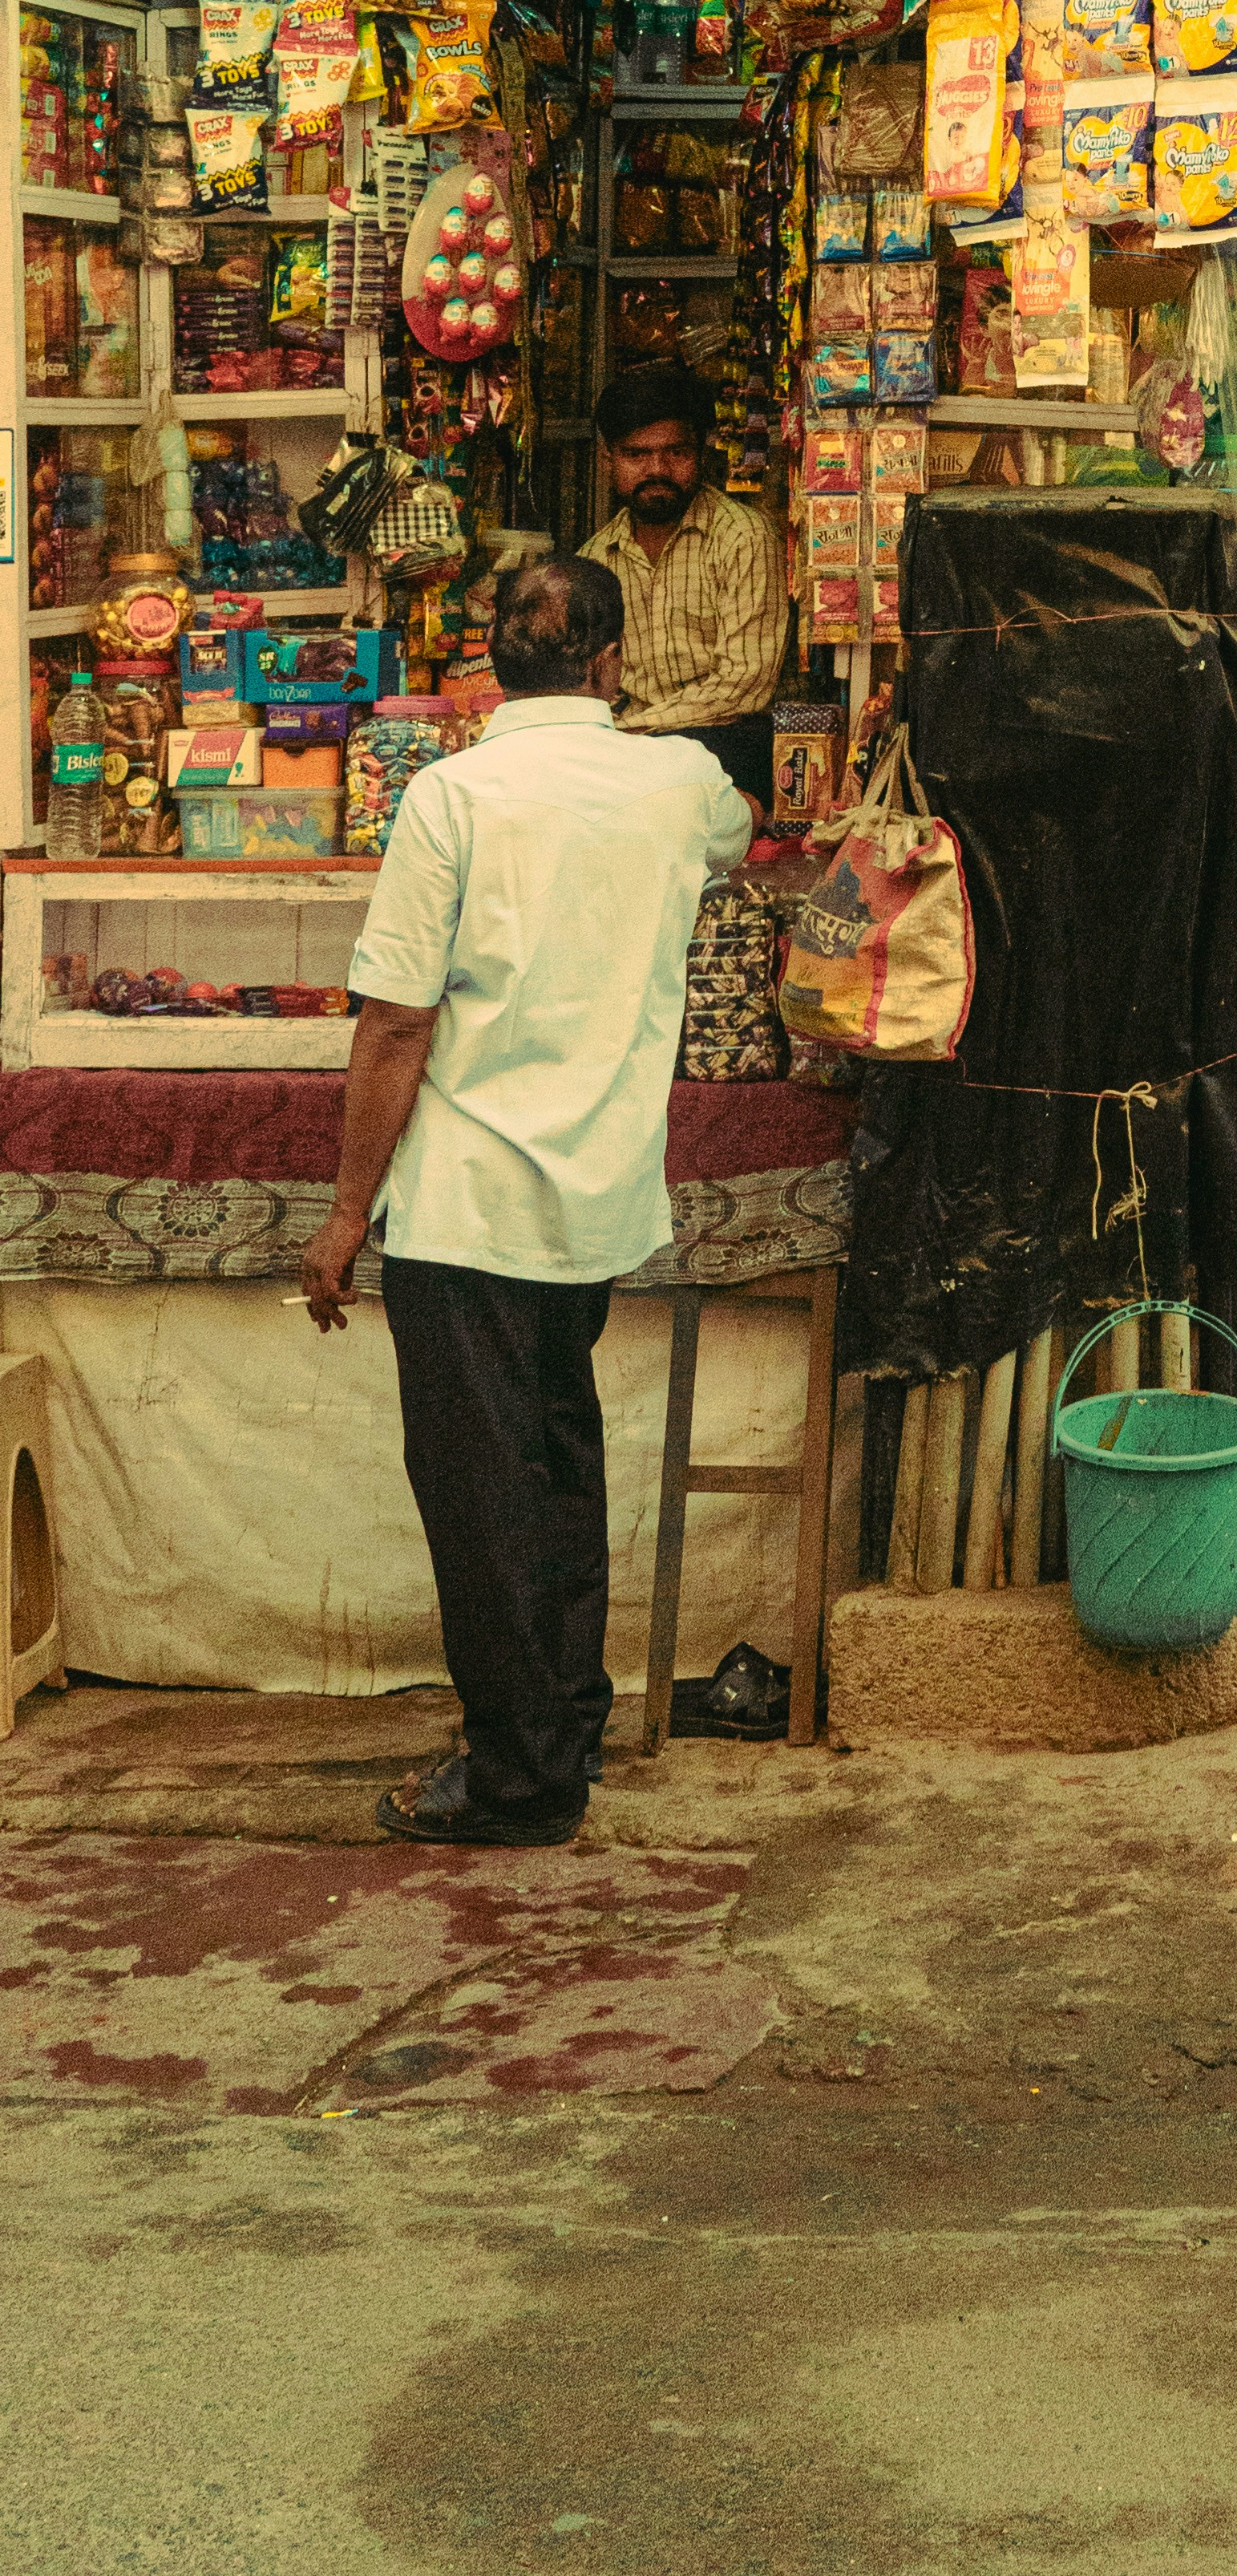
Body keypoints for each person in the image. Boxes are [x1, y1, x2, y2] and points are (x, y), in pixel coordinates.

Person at [301, 554, 752, 1845]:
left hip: (468, 1203)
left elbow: (395, 1026)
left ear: (496, 663)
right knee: (554, 1464)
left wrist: (343, 1218)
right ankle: (561, 1729)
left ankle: (518, 1779)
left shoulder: (451, 798)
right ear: (610, 665)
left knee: (486, 1491)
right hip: (594, 1201)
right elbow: (734, 833)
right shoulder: (678, 786)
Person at [582, 359, 782, 805]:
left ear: (701, 453)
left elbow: (744, 682)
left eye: (676, 452)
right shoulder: (595, 558)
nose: (658, 469)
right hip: (625, 755)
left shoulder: (741, 537)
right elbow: (591, 684)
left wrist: (633, 731)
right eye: (637, 455)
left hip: (722, 748)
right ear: (608, 459)